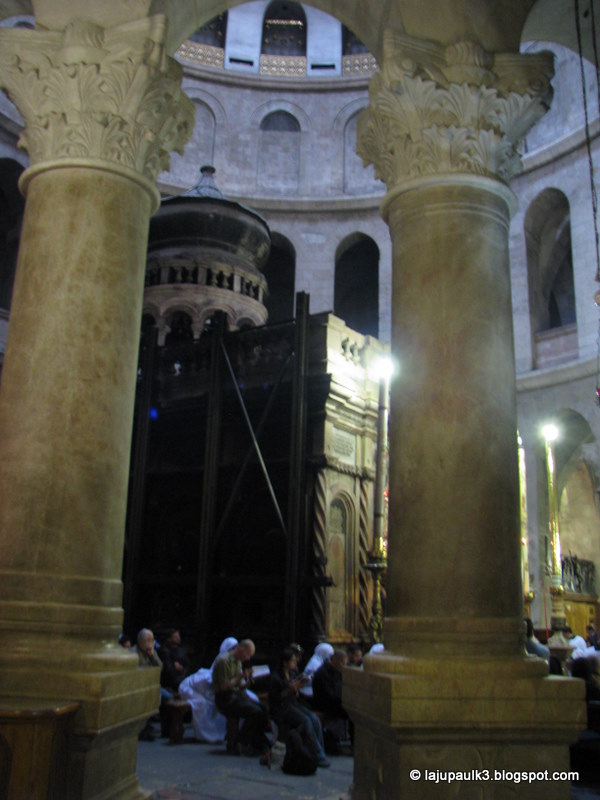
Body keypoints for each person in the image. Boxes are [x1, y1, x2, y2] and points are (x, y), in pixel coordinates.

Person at [268, 645, 330, 768]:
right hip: (282, 707)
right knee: (306, 721)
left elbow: (294, 690)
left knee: (314, 719)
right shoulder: (276, 677)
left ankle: (319, 752)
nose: (295, 662)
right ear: (285, 662)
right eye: (292, 660)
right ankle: (317, 754)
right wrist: (290, 689)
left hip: (293, 703)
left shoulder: (292, 673)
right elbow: (276, 698)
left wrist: (298, 686)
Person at [212, 638, 270, 755]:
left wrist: (248, 680)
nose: (248, 659)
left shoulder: (238, 662)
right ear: (241, 649)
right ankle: (242, 741)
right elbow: (224, 687)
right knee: (255, 712)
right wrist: (239, 677)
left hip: (236, 695)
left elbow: (240, 685)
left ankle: (257, 741)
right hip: (225, 698)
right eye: (248, 655)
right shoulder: (224, 661)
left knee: (263, 709)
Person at [178, 636, 238, 743]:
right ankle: (205, 734)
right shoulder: (222, 660)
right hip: (190, 687)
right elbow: (215, 681)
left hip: (209, 688)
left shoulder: (234, 661)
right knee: (202, 704)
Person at [312, 649, 352, 754]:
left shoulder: (336, 671)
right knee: (351, 712)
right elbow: (328, 694)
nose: (343, 665)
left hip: (335, 701)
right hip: (325, 704)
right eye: (342, 662)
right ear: (334, 660)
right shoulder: (323, 673)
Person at [160, 628, 191, 692]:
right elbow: (168, 669)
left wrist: (181, 668)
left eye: (178, 636)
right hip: (172, 680)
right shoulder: (165, 651)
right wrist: (177, 669)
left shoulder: (182, 650)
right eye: (175, 637)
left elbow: (187, 665)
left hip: (183, 676)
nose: (178, 638)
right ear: (169, 639)